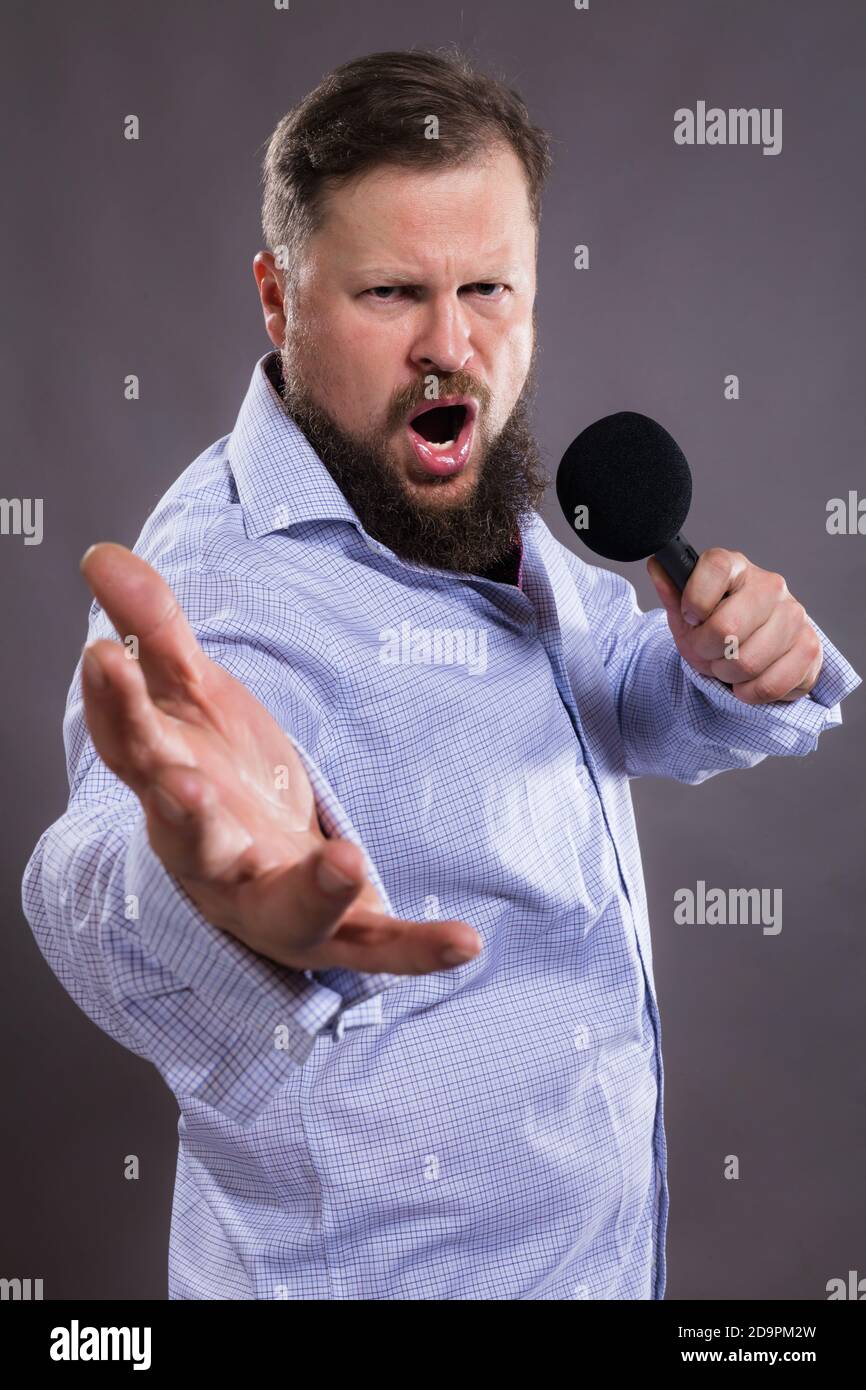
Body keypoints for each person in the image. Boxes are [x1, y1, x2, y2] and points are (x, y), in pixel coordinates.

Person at [22, 48, 861, 1300]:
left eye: (487, 288)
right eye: (389, 294)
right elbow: (95, 872)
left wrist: (726, 670)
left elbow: (592, 693)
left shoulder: (474, 505)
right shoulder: (211, 595)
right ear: (277, 298)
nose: (450, 345)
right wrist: (205, 897)